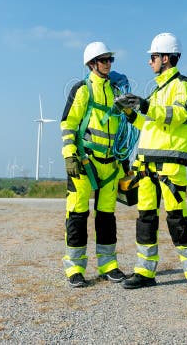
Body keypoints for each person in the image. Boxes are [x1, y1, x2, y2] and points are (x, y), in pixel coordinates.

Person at [114, 32, 187, 293]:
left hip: (170, 167)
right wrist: (130, 112)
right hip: (145, 167)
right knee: (145, 220)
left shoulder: (183, 86)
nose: (149, 61)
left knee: (177, 221)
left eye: (153, 57)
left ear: (166, 58)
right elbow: (148, 123)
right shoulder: (158, 90)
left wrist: (143, 105)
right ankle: (144, 271)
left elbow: (174, 116)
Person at [60, 41, 128, 287]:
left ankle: (109, 265)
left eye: (110, 59)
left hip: (111, 165)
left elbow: (122, 128)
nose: (109, 64)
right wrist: (70, 155)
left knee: (107, 217)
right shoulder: (82, 90)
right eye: (104, 60)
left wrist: (125, 161)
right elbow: (68, 124)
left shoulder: (114, 91)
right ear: (92, 64)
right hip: (84, 163)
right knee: (77, 215)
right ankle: (75, 269)